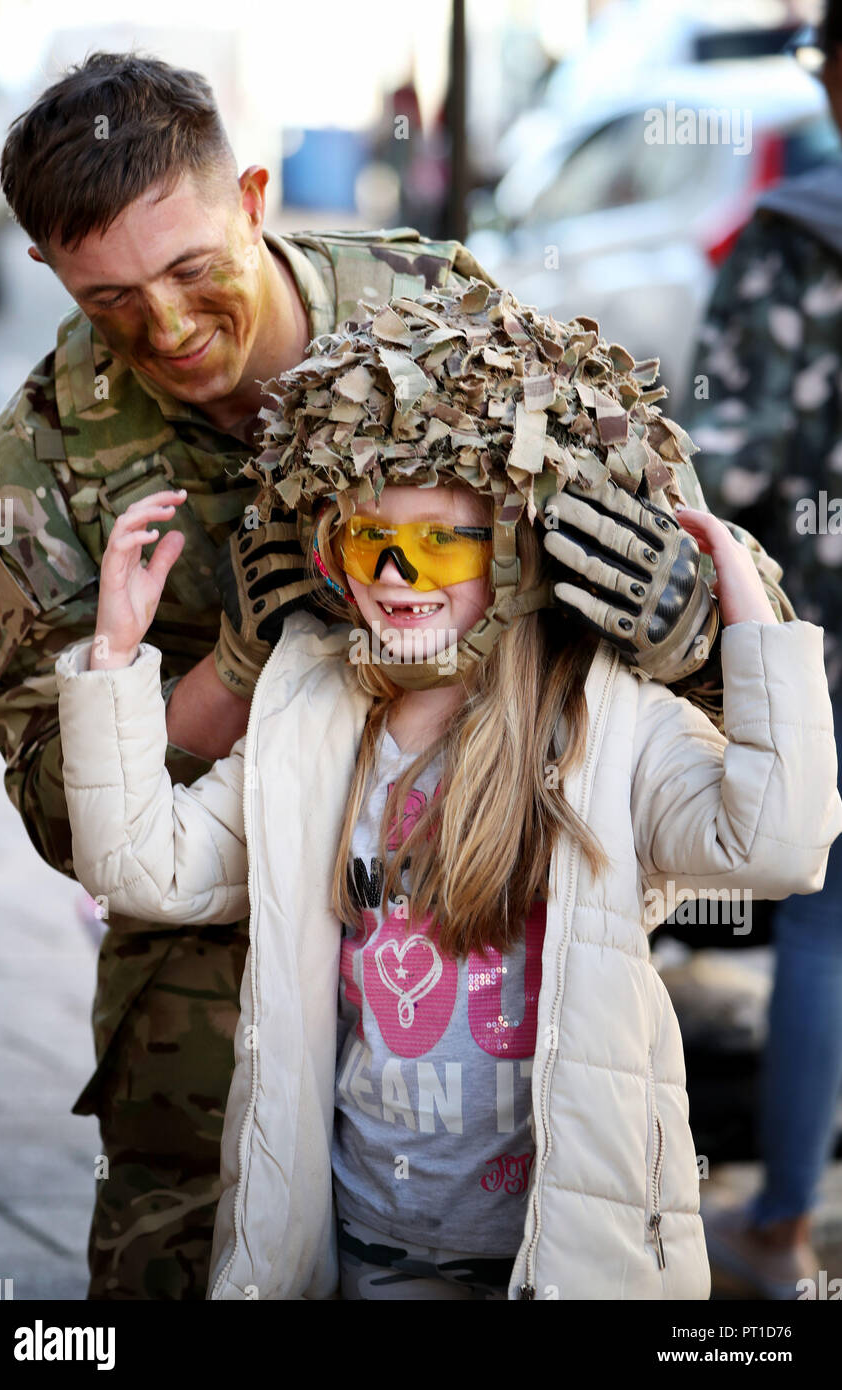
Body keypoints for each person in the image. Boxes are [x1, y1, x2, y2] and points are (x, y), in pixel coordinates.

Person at [0, 50, 795, 1301]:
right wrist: (234, 668)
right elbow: (68, 817)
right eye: (112, 299)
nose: (169, 328)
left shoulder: (433, 312)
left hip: (497, 948)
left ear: (253, 197)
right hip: (209, 987)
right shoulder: (32, 469)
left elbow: (698, 600)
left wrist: (690, 631)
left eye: (193, 271)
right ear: (44, 268)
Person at [52, 283, 842, 1300]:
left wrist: (749, 631)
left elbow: (778, 846)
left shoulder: (608, 723)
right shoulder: (308, 718)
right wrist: (115, 661)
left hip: (554, 1259)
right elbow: (141, 869)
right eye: (365, 539)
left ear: (519, 547)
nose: (394, 573)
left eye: (439, 542)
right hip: (368, 1250)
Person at [680, 1, 842, 1299]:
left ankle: (781, 1221)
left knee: (823, 928)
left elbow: (726, 462)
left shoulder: (795, 236)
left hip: (821, 642)